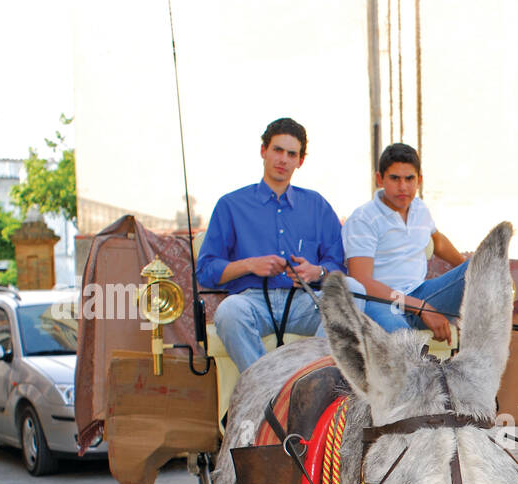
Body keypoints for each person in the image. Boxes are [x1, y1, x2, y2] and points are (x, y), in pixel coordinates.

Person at [196, 118, 346, 371]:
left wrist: (316, 271)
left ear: (301, 161)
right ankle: (267, 393)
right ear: (263, 151)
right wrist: (249, 264)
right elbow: (206, 271)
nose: (283, 159)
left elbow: (340, 267)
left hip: (304, 301)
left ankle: (310, 381)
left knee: (349, 293)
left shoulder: (317, 205)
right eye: (277, 150)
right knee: (228, 312)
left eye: (292, 154)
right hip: (252, 302)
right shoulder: (231, 205)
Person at [342, 142, 467, 343]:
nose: (403, 187)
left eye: (409, 179)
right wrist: (418, 306)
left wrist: (466, 268)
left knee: (482, 268)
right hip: (380, 301)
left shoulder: (420, 209)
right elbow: (361, 281)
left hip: (421, 293)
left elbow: (438, 242)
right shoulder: (363, 218)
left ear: (419, 180)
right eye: (395, 179)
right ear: (379, 179)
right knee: (405, 346)